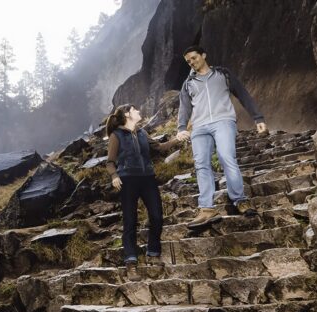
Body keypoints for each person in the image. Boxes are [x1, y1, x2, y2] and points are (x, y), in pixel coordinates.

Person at [176, 45, 268, 229]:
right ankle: (207, 209)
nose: (191, 63)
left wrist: (257, 117)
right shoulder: (188, 83)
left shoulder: (223, 75)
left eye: (194, 58)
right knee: (201, 164)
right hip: (200, 127)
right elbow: (185, 107)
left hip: (223, 121)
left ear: (204, 55)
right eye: (188, 61)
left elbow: (242, 94)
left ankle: (240, 200)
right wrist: (180, 127)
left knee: (227, 158)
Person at [105, 104, 181, 281]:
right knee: (130, 221)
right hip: (127, 180)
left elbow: (159, 148)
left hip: (148, 178)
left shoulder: (142, 133)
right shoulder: (116, 136)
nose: (139, 111)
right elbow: (110, 161)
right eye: (135, 110)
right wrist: (114, 176)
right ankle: (131, 262)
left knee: (156, 216)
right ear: (127, 114)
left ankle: (153, 252)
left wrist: (178, 139)